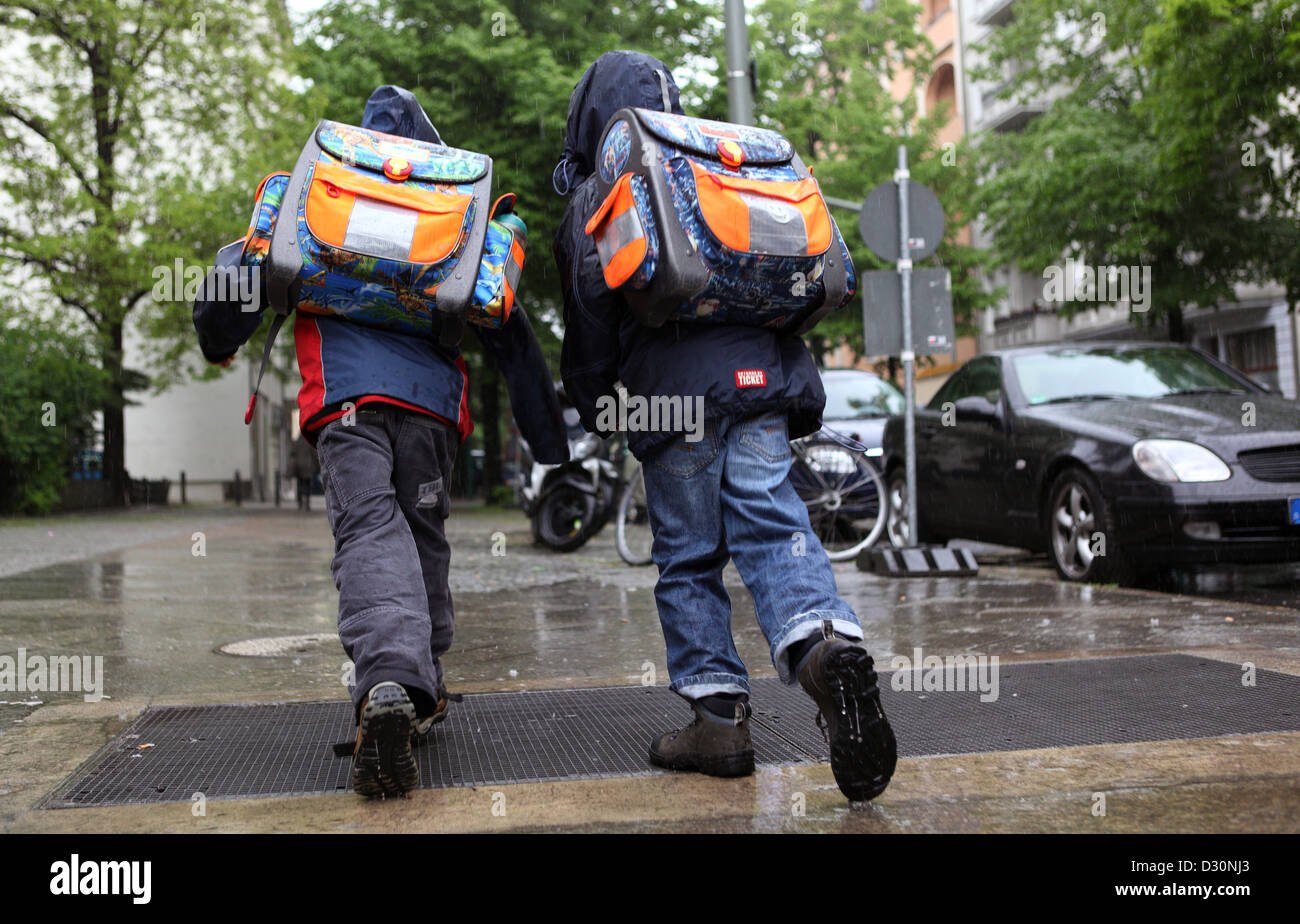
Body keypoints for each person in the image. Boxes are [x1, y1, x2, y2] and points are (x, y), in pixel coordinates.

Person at [194, 85, 567, 798]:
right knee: (421, 533)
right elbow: (507, 325)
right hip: (431, 410)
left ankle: (390, 682)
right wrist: (548, 441)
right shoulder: (448, 206)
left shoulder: (322, 192)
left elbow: (237, 277)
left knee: (369, 531)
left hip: (345, 402)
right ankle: (423, 679)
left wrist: (217, 334)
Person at [552, 51, 897, 801]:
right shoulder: (720, 165)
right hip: (760, 388)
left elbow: (589, 313)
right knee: (777, 530)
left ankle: (718, 722)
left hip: (671, 400)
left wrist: (593, 402)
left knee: (687, 556)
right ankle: (822, 648)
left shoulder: (607, 183)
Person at [289, 434, 318, 511]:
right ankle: (307, 503)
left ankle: (300, 503)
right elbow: (314, 455)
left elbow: (292, 454)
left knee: (300, 484)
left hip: (299, 467)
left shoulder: (297, 443)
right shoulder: (309, 442)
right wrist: (317, 467)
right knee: (308, 485)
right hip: (308, 467)